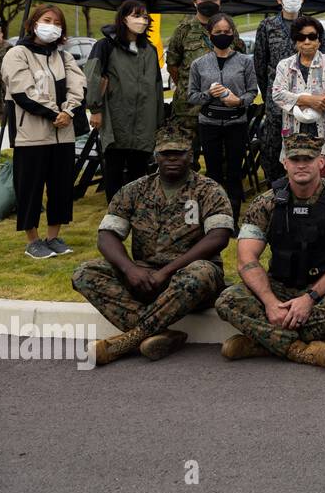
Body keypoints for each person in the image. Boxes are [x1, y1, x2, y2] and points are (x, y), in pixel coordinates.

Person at [71, 124, 234, 365]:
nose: (172, 159)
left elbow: (219, 236)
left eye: (179, 153)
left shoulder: (208, 190)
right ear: (155, 155)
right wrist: (130, 269)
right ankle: (160, 334)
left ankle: (129, 339)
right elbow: (106, 236)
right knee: (85, 273)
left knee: (201, 272)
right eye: (165, 153)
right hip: (143, 276)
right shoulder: (135, 190)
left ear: (191, 155)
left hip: (190, 280)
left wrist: (166, 272)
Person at [215, 135, 325, 369]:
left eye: (308, 158)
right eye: (295, 159)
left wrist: (309, 299)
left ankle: (260, 342)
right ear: (285, 162)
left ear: (321, 162)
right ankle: (300, 350)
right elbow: (246, 259)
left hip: (324, 291)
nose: (301, 164)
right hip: (278, 288)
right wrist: (269, 302)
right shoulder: (266, 202)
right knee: (228, 300)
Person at [3, 4, 84, 259]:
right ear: (34, 22)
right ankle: (33, 240)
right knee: (30, 187)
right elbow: (23, 91)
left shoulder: (63, 56)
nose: (53, 26)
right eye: (47, 20)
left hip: (63, 134)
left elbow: (78, 86)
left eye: (57, 23)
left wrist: (68, 111)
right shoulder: (18, 53)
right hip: (31, 135)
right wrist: (53, 113)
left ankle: (53, 236)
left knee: (60, 187)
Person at [253, 0, 325, 183]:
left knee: (306, 147)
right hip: (278, 101)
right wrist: (271, 93)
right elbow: (260, 65)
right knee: (273, 148)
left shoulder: (313, 25)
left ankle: (305, 188)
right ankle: (276, 190)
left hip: (309, 101)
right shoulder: (267, 26)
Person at [85, 0, 164, 200]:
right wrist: (95, 109)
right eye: (136, 15)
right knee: (114, 169)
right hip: (116, 117)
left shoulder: (150, 49)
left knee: (139, 170)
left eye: (145, 16)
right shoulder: (104, 46)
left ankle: (136, 210)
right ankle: (115, 211)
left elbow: (156, 85)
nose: (142, 20)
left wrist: (158, 119)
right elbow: (92, 77)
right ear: (123, 18)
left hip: (144, 119)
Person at [187, 13, 257, 220]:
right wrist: (209, 95)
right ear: (210, 35)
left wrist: (239, 101)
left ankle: (233, 218)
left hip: (236, 122)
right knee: (213, 172)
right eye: (218, 32)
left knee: (235, 173)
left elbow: (253, 92)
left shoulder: (245, 61)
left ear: (233, 34)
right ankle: (213, 218)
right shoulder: (198, 64)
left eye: (227, 32)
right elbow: (191, 95)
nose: (223, 35)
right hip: (209, 123)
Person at [270, 14, 325, 177]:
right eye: (301, 37)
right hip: (294, 135)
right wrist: (308, 100)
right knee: (298, 180)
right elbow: (277, 93)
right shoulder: (284, 66)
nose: (307, 41)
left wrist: (296, 99)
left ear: (319, 40)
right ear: (295, 41)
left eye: (312, 37)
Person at [167, 0, 244, 137]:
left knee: (221, 158)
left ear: (220, 1)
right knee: (186, 157)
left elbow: (239, 61)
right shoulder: (184, 30)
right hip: (189, 110)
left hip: (222, 108)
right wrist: (188, 88)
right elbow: (172, 65)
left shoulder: (229, 29)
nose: (208, 2)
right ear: (195, 1)